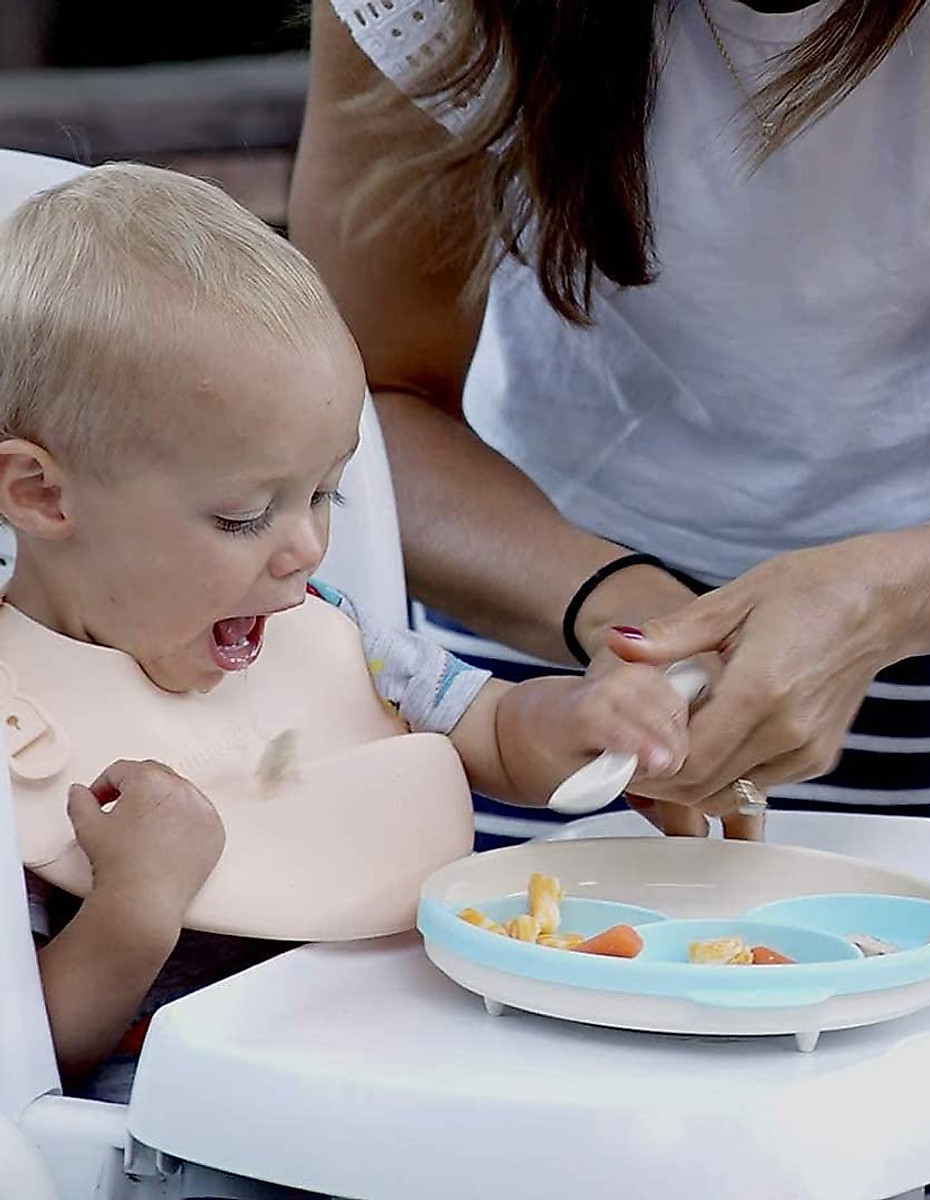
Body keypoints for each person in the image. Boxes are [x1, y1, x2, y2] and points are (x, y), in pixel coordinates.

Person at [290, 0, 930, 1193]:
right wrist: (626, 615)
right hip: (544, 672)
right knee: (549, 1151)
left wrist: (878, 600)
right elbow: (365, 405)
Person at [0, 162, 693, 1102]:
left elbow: (491, 732)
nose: (309, 549)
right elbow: (27, 1068)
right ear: (41, 494)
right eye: (246, 515)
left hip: (423, 1067)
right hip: (184, 1131)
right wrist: (133, 907)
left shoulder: (337, 636)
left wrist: (589, 718)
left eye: (329, 492)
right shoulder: (16, 723)